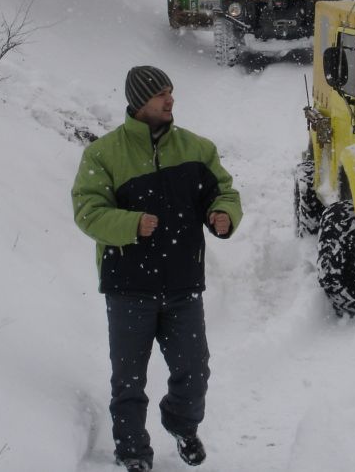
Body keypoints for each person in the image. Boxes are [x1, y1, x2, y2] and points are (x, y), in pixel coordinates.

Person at [72, 65, 242, 472]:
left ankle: (181, 424)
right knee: (129, 380)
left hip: (183, 285)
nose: (170, 100)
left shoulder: (197, 149)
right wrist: (130, 224)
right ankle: (133, 451)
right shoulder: (104, 154)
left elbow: (224, 192)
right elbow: (87, 211)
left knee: (194, 370)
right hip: (128, 287)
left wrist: (222, 214)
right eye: (160, 94)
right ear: (138, 102)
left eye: (171, 91)